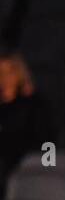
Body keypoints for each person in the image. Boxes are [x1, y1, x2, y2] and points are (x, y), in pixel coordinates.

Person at [0, 54, 54, 182]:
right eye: (1, 72)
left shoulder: (34, 103)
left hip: (25, 161)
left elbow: (47, 139)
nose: (4, 77)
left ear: (19, 73)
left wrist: (48, 165)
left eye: (9, 72)